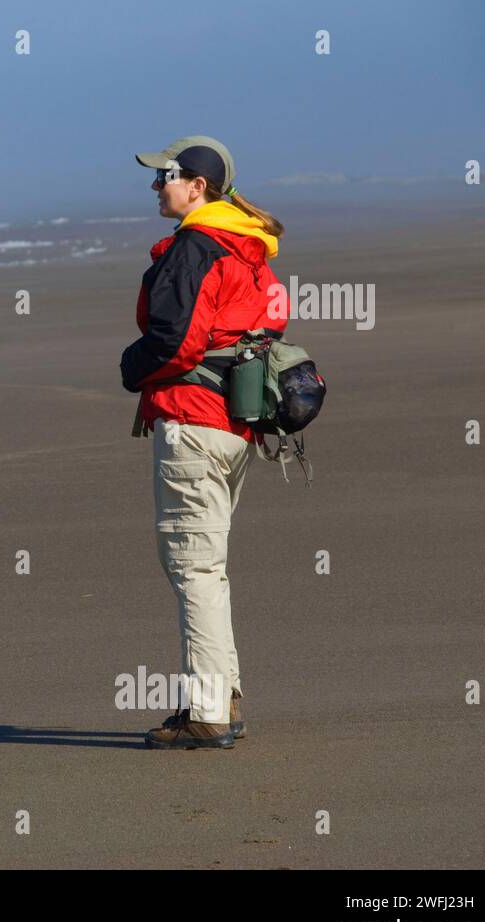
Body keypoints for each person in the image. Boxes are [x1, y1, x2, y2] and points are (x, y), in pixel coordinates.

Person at [120, 136, 286, 749]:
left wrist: (130, 367)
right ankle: (224, 694)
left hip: (194, 420)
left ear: (199, 186)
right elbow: (269, 319)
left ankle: (209, 712)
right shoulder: (249, 247)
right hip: (237, 423)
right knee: (205, 565)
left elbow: (177, 341)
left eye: (166, 174)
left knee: (193, 566)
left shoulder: (196, 246)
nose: (156, 185)